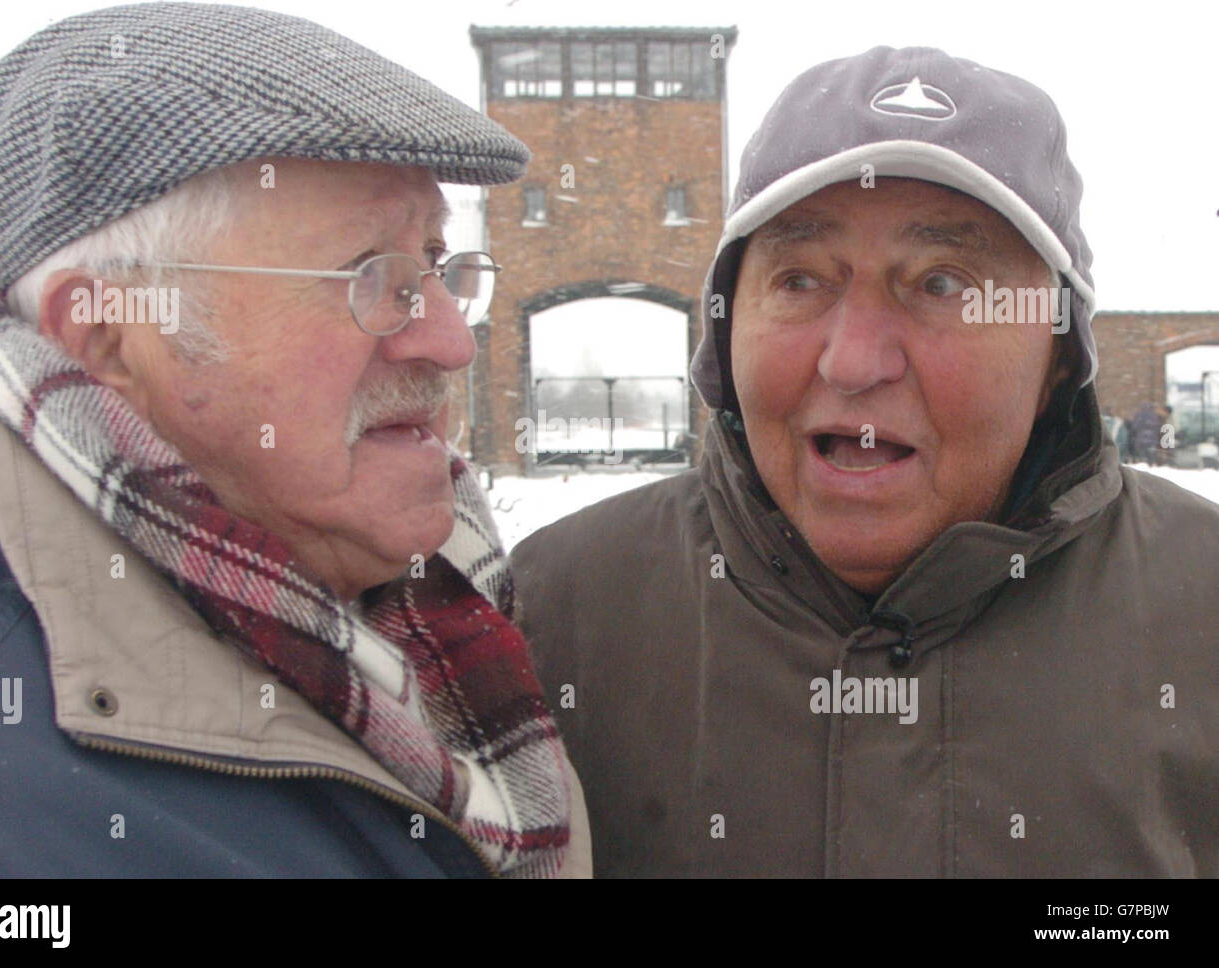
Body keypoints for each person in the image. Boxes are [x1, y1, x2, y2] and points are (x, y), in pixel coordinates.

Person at [512, 46, 1219, 876]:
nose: (853, 361)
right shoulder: (543, 622)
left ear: (1061, 354)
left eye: (943, 284)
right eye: (802, 278)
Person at [0, 2, 589, 878]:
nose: (450, 341)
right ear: (109, 338)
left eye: (435, 263)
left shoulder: (435, 596)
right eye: (369, 276)